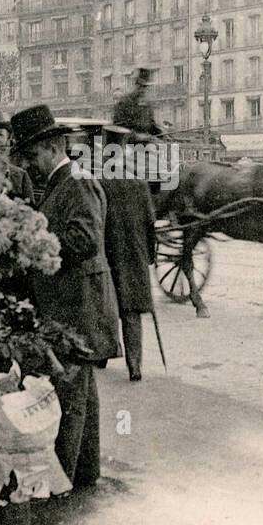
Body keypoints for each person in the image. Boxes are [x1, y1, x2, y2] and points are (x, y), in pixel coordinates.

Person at [11, 105, 120, 488]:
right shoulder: (63, 183)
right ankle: (85, 474)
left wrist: (36, 246)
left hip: (79, 307)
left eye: (33, 156)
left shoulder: (77, 182)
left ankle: (61, 485)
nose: (30, 165)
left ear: (54, 146)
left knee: (69, 397)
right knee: (84, 398)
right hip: (76, 304)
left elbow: (86, 240)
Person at [98, 126, 156, 381]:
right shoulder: (139, 185)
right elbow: (150, 225)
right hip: (134, 257)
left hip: (107, 255)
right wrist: (149, 256)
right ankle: (135, 366)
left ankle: (102, 355)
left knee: (105, 308)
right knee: (131, 313)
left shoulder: (97, 183)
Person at [111, 68, 162, 138]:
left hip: (146, 144)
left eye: (145, 87)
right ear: (134, 85)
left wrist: (162, 134)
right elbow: (117, 128)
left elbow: (151, 126)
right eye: (140, 86)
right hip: (128, 145)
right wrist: (135, 136)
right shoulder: (123, 103)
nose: (143, 90)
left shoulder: (147, 104)